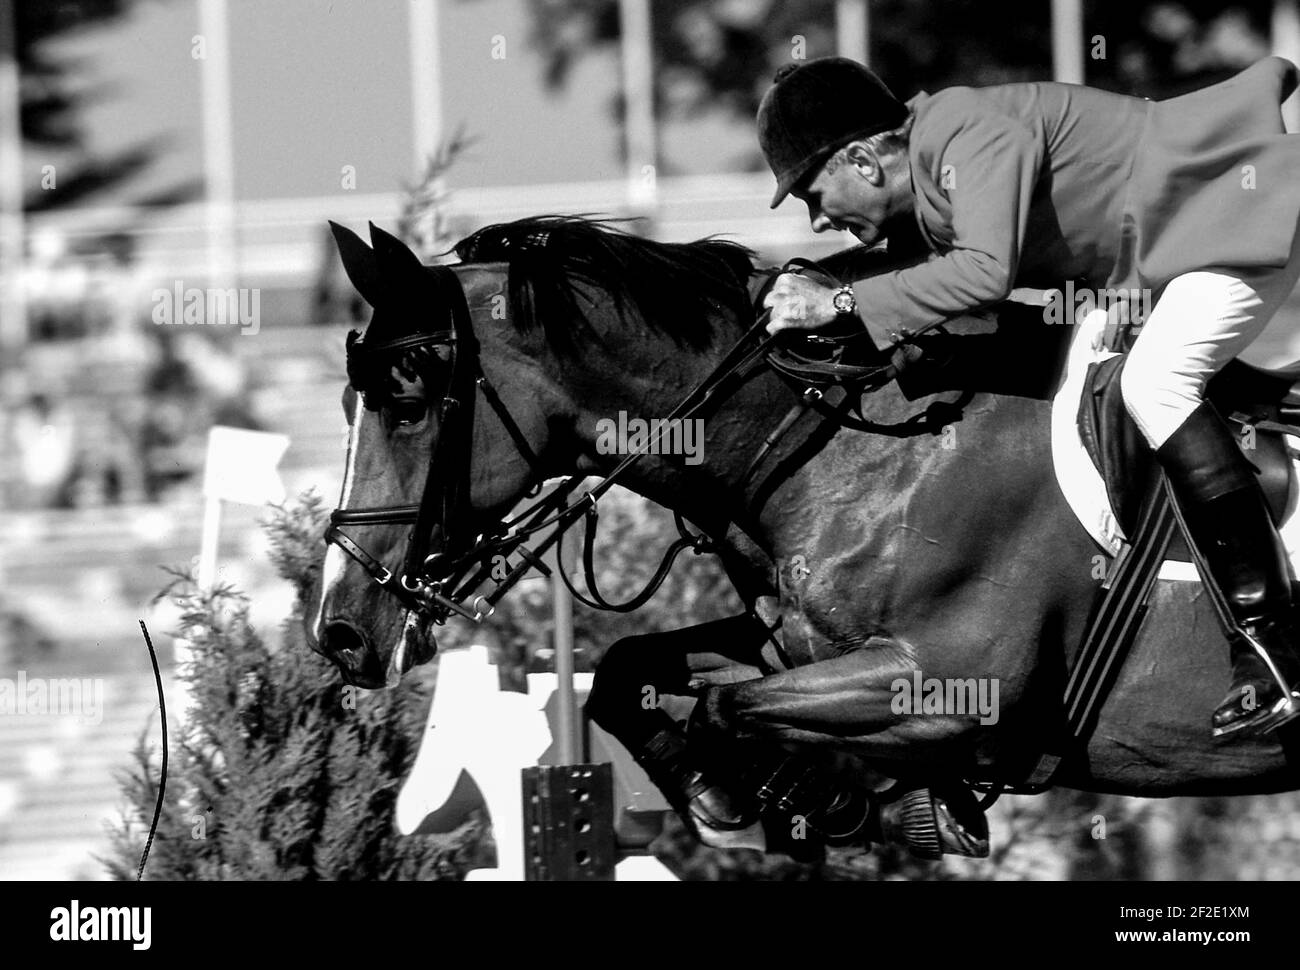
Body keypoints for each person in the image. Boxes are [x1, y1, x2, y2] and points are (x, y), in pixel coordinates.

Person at [757, 56, 1300, 739]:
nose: (817, 219)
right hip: (1162, 253)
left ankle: (1272, 643)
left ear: (863, 160)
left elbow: (984, 273)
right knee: (1098, 362)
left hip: (1228, 208)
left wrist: (837, 299)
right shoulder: (929, 181)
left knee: (1153, 383)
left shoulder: (966, 132)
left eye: (812, 193)